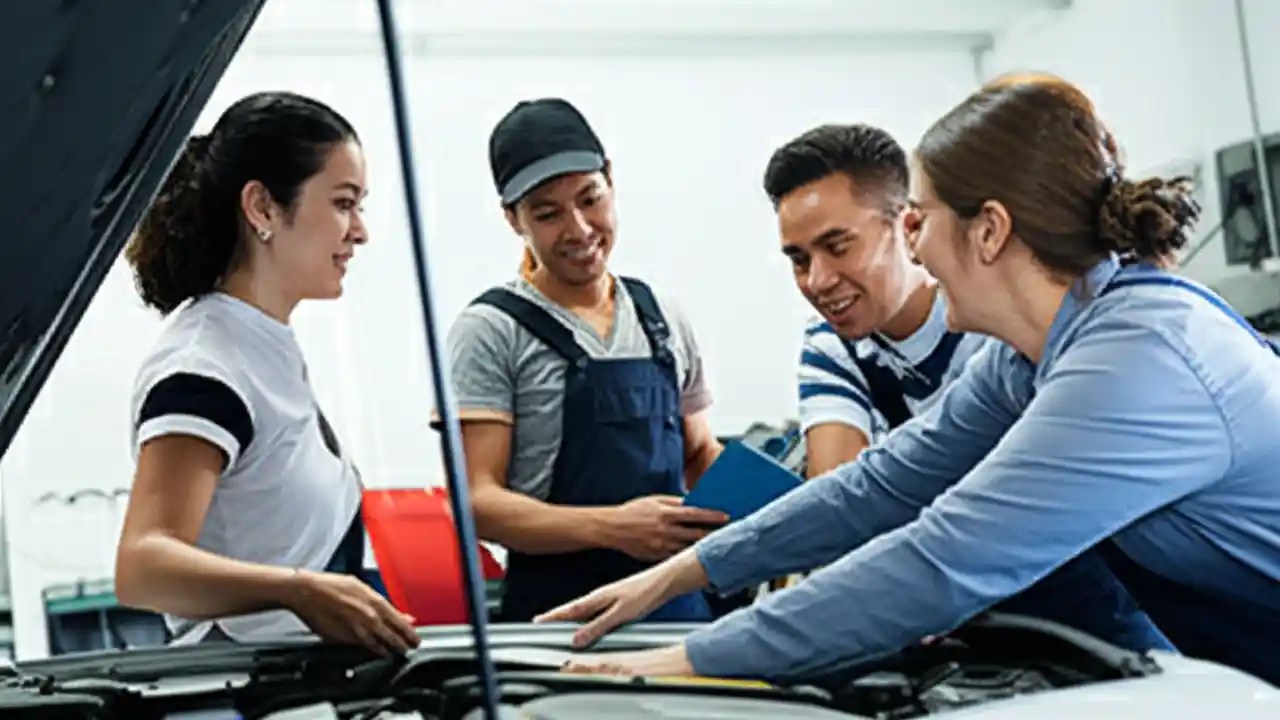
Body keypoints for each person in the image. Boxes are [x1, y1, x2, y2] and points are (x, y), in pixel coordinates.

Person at [538, 76, 1280, 686]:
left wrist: (681, 661)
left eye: (919, 221)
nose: (916, 249)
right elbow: (882, 484)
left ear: (988, 230)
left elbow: (942, 556)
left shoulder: (1135, 360)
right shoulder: (1030, 353)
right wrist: (674, 576)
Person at [114, 91, 418, 657]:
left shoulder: (262, 343)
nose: (360, 231)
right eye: (344, 203)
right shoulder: (203, 369)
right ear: (262, 209)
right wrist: (297, 591)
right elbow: (143, 565)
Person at [444, 97, 729, 624]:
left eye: (589, 199)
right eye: (547, 214)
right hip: (558, 622)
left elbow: (699, 451)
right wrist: (613, 527)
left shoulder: (662, 317)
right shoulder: (489, 329)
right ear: (513, 220)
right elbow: (476, 502)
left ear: (611, 181)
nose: (578, 229)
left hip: (678, 609)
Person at [766, 123, 993, 478]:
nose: (817, 281)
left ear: (909, 227)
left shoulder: (992, 325)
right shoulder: (832, 345)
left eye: (838, 247)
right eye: (800, 260)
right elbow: (835, 496)